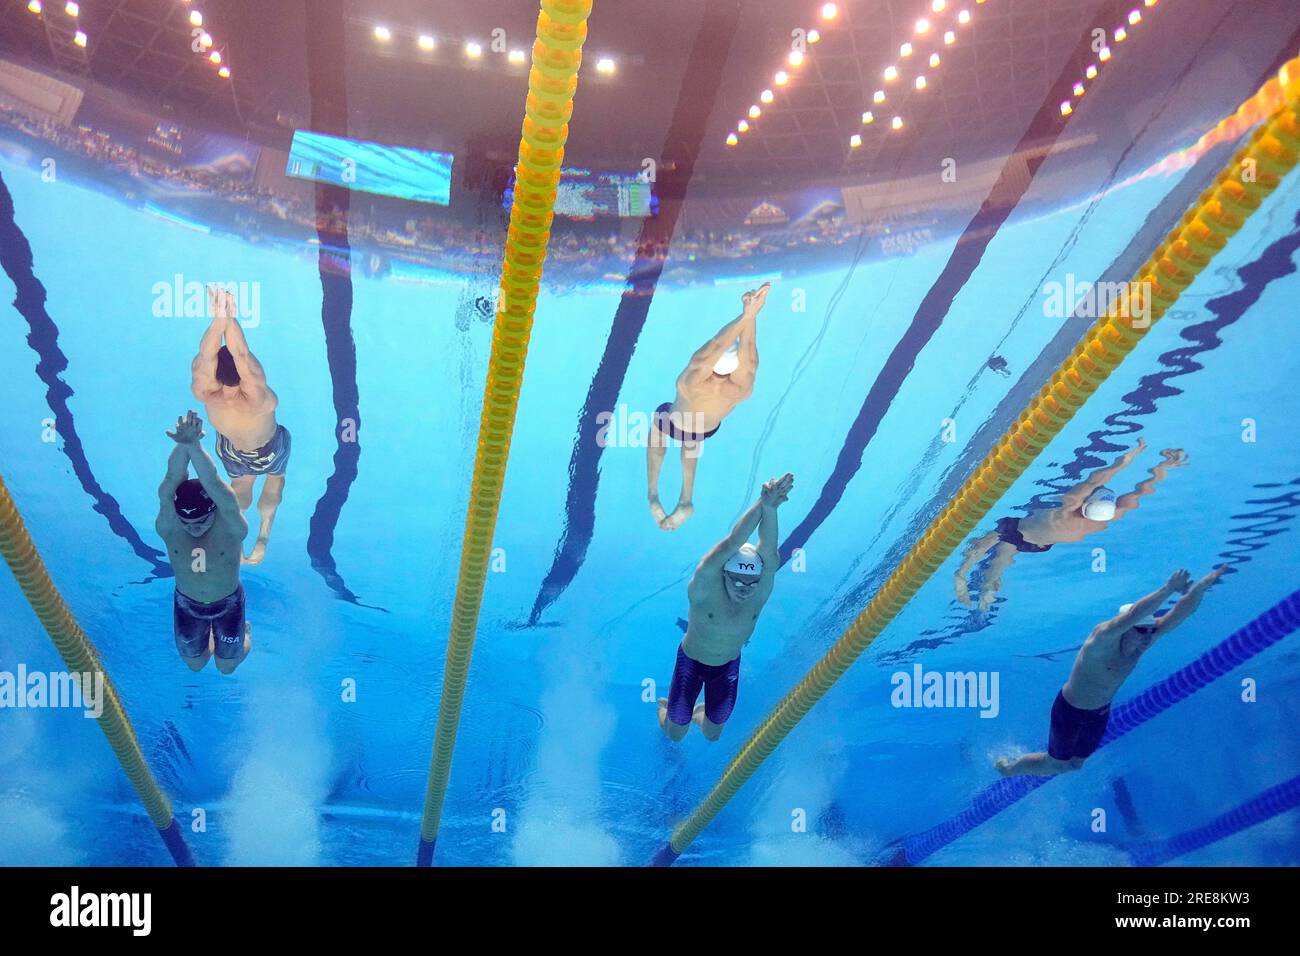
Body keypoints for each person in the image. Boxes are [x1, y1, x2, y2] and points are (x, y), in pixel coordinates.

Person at [996, 565, 1226, 776]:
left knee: (1076, 765)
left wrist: (1200, 589)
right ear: (1126, 629)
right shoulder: (1101, 641)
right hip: (1069, 710)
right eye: (1142, 632)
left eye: (1150, 631)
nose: (1148, 637)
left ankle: (1033, 764)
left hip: (1099, 713)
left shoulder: (1144, 639)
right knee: (1057, 764)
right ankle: (1010, 769)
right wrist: (1168, 589)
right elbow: (1133, 615)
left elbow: (1180, 614)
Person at [954, 438, 1186, 610]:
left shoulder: (1068, 507)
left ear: (1085, 504)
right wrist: (1163, 468)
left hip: (1015, 530)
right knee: (1001, 562)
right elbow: (1145, 490)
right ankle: (986, 597)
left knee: (982, 550)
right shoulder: (1111, 517)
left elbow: (1098, 478)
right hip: (1041, 546)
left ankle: (962, 577)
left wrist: (1130, 456)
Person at [658, 472, 793, 742]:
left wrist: (771, 508)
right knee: (675, 733)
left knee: (712, 735)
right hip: (692, 662)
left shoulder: (759, 593)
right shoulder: (704, 589)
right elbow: (732, 543)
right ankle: (664, 711)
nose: (745, 590)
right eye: (738, 582)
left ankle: (700, 714)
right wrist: (760, 503)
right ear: (723, 574)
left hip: (727, 666)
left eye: (751, 583)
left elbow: (769, 551)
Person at [647, 282, 770, 531]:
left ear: (712, 366)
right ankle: (686, 499)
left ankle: (652, 495)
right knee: (692, 438)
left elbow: (716, 345)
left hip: (676, 422)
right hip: (708, 428)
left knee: (659, 431)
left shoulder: (691, 382)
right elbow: (749, 355)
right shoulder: (741, 387)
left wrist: (745, 315)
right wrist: (752, 316)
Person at [190, 285, 289, 565]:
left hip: (229, 449)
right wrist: (230, 320)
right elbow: (243, 355)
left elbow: (205, 356)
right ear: (244, 376)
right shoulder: (258, 397)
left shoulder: (206, 392)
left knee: (240, 492)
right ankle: (262, 540)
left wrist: (219, 321)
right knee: (273, 484)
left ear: (215, 376)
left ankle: (233, 540)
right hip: (267, 449)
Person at [156, 410, 252, 674]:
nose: (193, 528)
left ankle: (245, 635)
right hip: (187, 605)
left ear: (215, 511)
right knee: (195, 665)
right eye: (187, 523)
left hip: (228, 604)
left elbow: (212, 481)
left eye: (200, 522)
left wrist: (194, 447)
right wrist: (182, 444)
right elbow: (171, 482)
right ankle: (210, 638)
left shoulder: (231, 526)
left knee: (226, 666)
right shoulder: (168, 526)